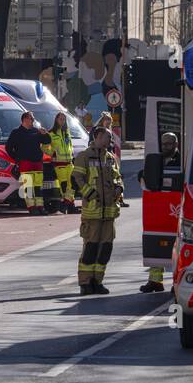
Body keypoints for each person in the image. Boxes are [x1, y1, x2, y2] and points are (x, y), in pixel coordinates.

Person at [71, 125, 124, 295]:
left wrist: (119, 188)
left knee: (105, 249)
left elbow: (118, 177)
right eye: (108, 137)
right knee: (91, 248)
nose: (110, 140)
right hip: (92, 212)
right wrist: (90, 193)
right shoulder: (84, 157)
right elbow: (76, 178)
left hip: (109, 212)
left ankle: (98, 282)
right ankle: (85, 283)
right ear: (98, 136)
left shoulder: (110, 158)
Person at [137, 131, 179, 294]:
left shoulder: (181, 159)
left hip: (175, 207)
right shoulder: (157, 159)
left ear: (176, 144)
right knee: (157, 242)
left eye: (169, 143)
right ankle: (155, 281)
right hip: (160, 207)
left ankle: (177, 284)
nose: (165, 146)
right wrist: (143, 175)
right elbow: (145, 174)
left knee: (178, 247)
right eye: (164, 143)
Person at [5, 111, 50, 216]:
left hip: (37, 162)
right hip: (25, 163)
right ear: (25, 119)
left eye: (33, 119)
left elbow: (47, 141)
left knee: (38, 186)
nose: (33, 121)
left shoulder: (36, 131)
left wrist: (45, 134)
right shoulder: (16, 133)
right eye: (31, 119)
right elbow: (8, 148)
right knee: (28, 186)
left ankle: (40, 207)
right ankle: (31, 207)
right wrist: (17, 158)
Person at [48, 112, 76, 213]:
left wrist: (72, 154)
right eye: (60, 119)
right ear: (56, 120)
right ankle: (70, 206)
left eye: (64, 119)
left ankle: (66, 203)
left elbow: (70, 146)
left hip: (69, 163)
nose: (62, 121)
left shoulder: (67, 132)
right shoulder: (51, 133)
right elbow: (44, 147)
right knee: (64, 186)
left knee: (72, 184)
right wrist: (52, 153)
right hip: (59, 164)